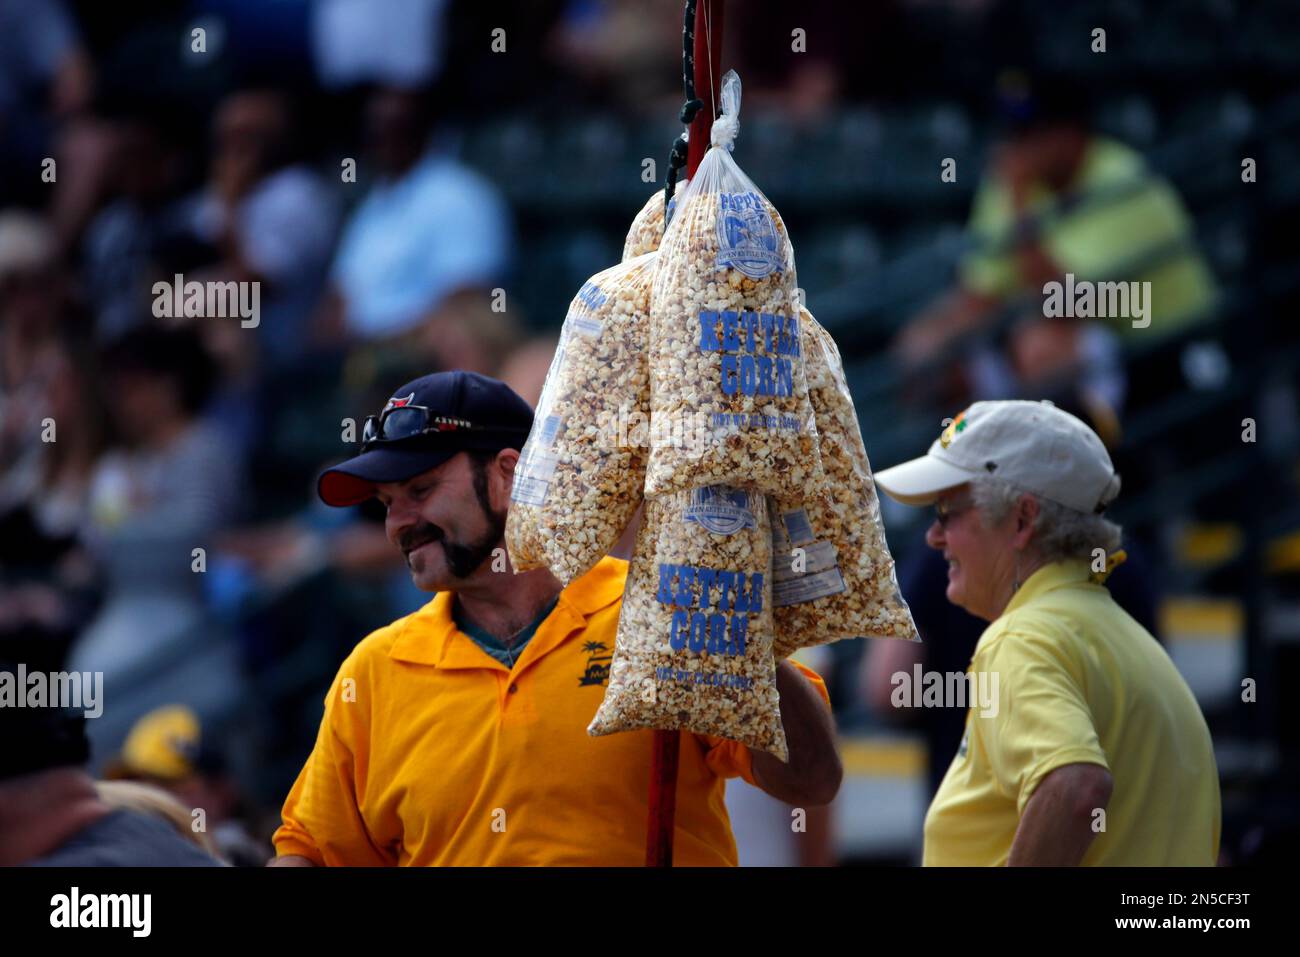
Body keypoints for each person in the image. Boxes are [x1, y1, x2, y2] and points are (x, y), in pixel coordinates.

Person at [271, 370, 842, 866]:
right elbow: (314, 852)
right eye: (387, 504)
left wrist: (740, 624)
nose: (399, 524)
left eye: (420, 490)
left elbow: (812, 780)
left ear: (507, 473)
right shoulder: (374, 672)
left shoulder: (664, 610)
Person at [872, 399, 1220, 866]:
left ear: (1022, 519)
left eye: (947, 512)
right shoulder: (1125, 638)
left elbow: (1076, 787)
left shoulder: (1023, 639)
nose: (934, 537)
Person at [0, 662, 221, 867]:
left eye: (169, 784)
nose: (150, 792)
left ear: (220, 789)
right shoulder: (167, 844)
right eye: (135, 781)